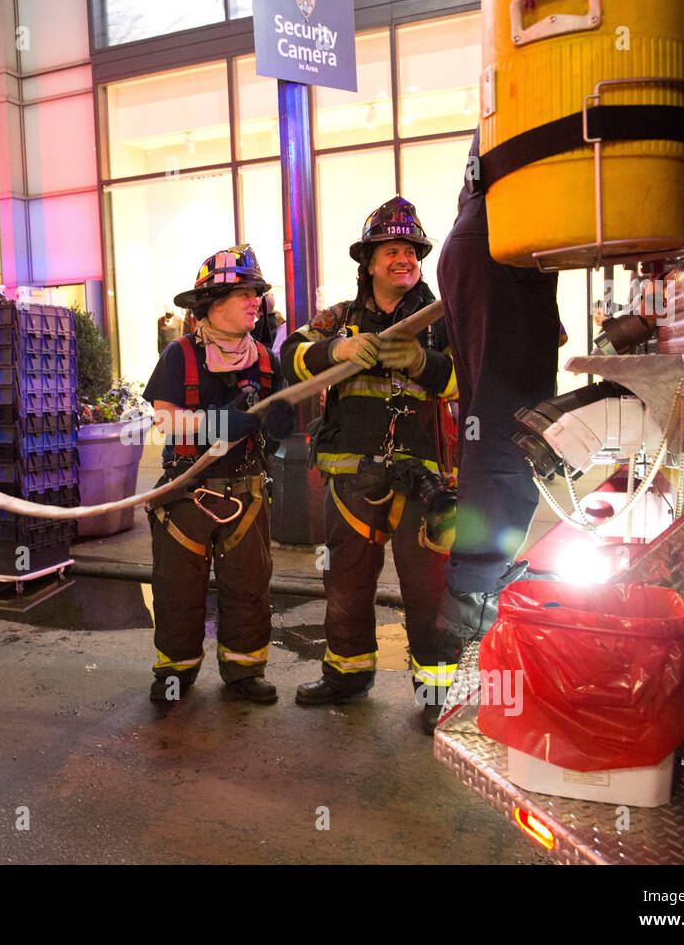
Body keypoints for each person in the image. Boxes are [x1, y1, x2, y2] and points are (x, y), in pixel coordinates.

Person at [280, 197, 458, 730]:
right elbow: (289, 356)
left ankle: (437, 694)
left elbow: (470, 381)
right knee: (347, 584)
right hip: (352, 474)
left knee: (429, 590)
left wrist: (427, 364)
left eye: (411, 250)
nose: (403, 258)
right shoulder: (339, 319)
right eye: (391, 251)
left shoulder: (442, 321)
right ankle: (347, 675)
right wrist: (333, 351)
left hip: (426, 480)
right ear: (369, 262)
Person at [431, 131, 562, 666]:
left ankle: (482, 578)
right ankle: (480, 589)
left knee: (504, 413)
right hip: (501, 234)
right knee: (506, 417)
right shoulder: (536, 98)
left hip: (497, 235)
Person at [142, 245, 287, 705]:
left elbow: (280, 418)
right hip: (187, 494)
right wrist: (221, 423)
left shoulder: (264, 358)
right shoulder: (179, 356)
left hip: (246, 494)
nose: (255, 302)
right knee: (177, 590)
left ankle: (244, 674)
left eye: (257, 294)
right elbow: (163, 420)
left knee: (249, 588)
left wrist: (283, 422)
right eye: (245, 293)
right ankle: (175, 674)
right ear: (215, 303)